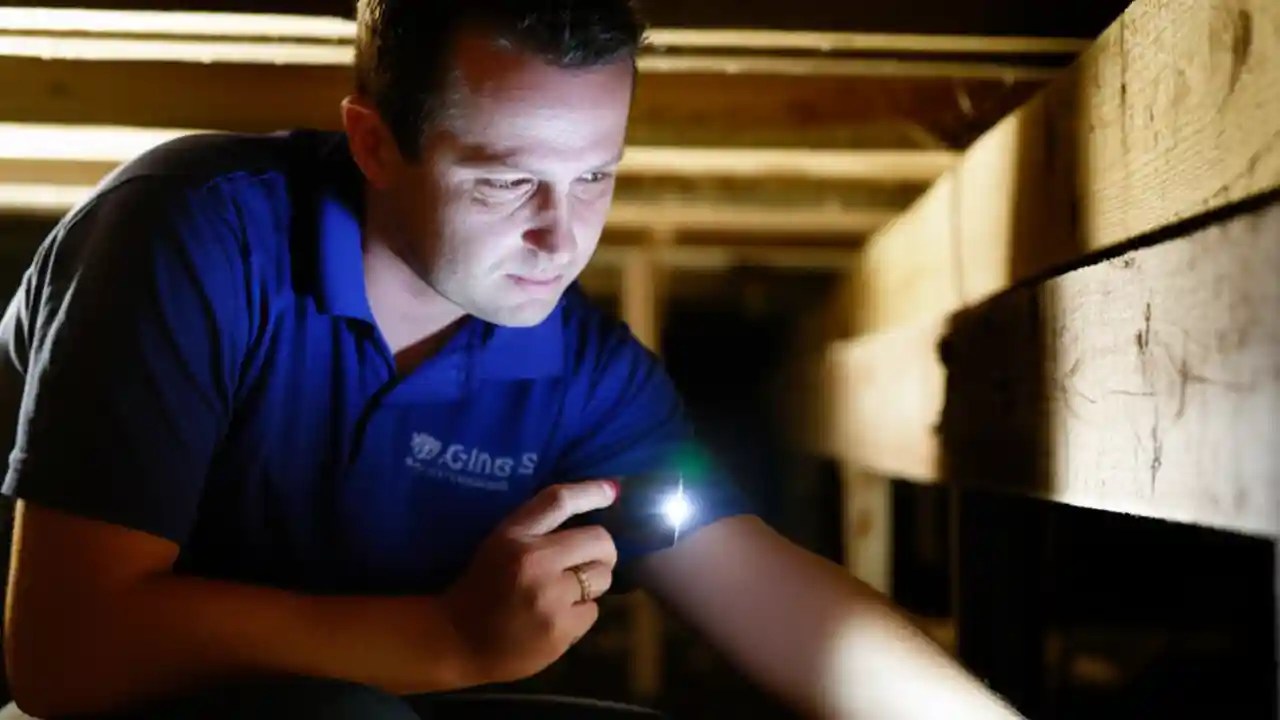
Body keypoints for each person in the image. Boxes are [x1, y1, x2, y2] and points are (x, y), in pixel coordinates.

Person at [0, 1, 1022, 718]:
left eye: (594, 176)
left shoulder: (581, 378)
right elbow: (62, 651)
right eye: (502, 183)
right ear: (372, 142)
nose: (560, 237)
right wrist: (444, 640)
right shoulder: (194, 238)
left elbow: (769, 596)